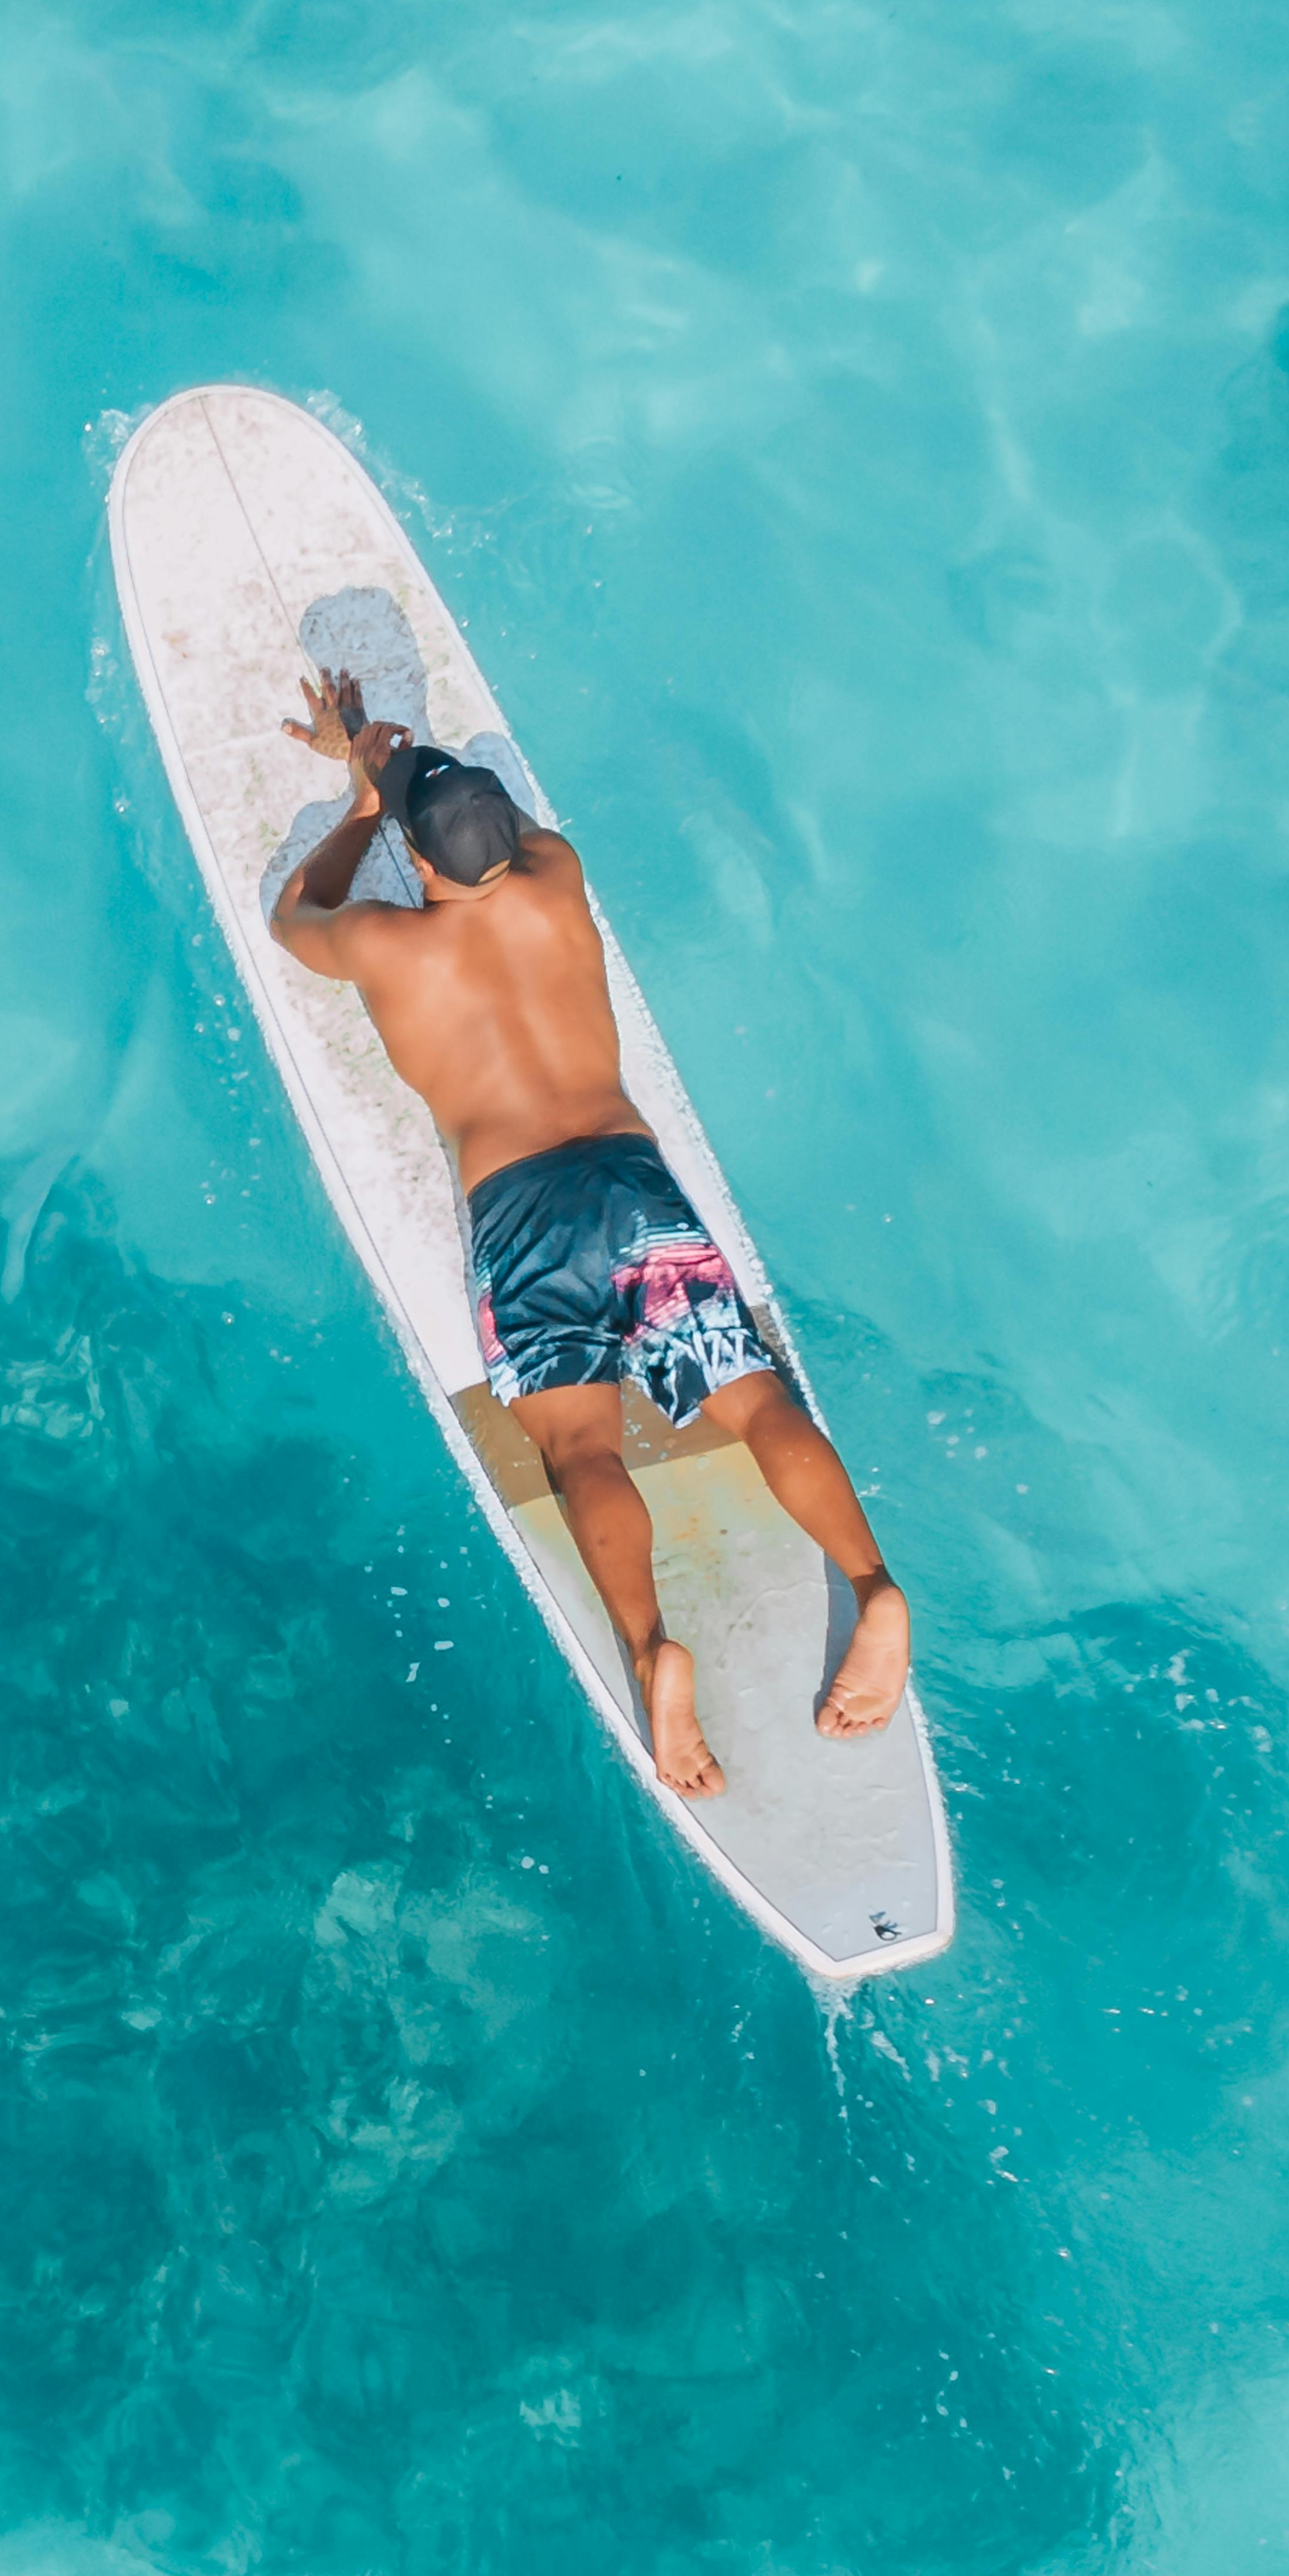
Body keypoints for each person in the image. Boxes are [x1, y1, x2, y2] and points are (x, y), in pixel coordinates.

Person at [270, 670, 912, 1796]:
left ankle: (652, 1647)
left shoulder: (383, 944)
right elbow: (490, 827)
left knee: (582, 1448)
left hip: (520, 1212)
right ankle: (872, 1586)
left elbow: (293, 917)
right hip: (630, 1180)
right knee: (754, 1400)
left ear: (416, 868)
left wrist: (365, 798)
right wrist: (409, 782)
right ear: (502, 847)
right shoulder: (557, 875)